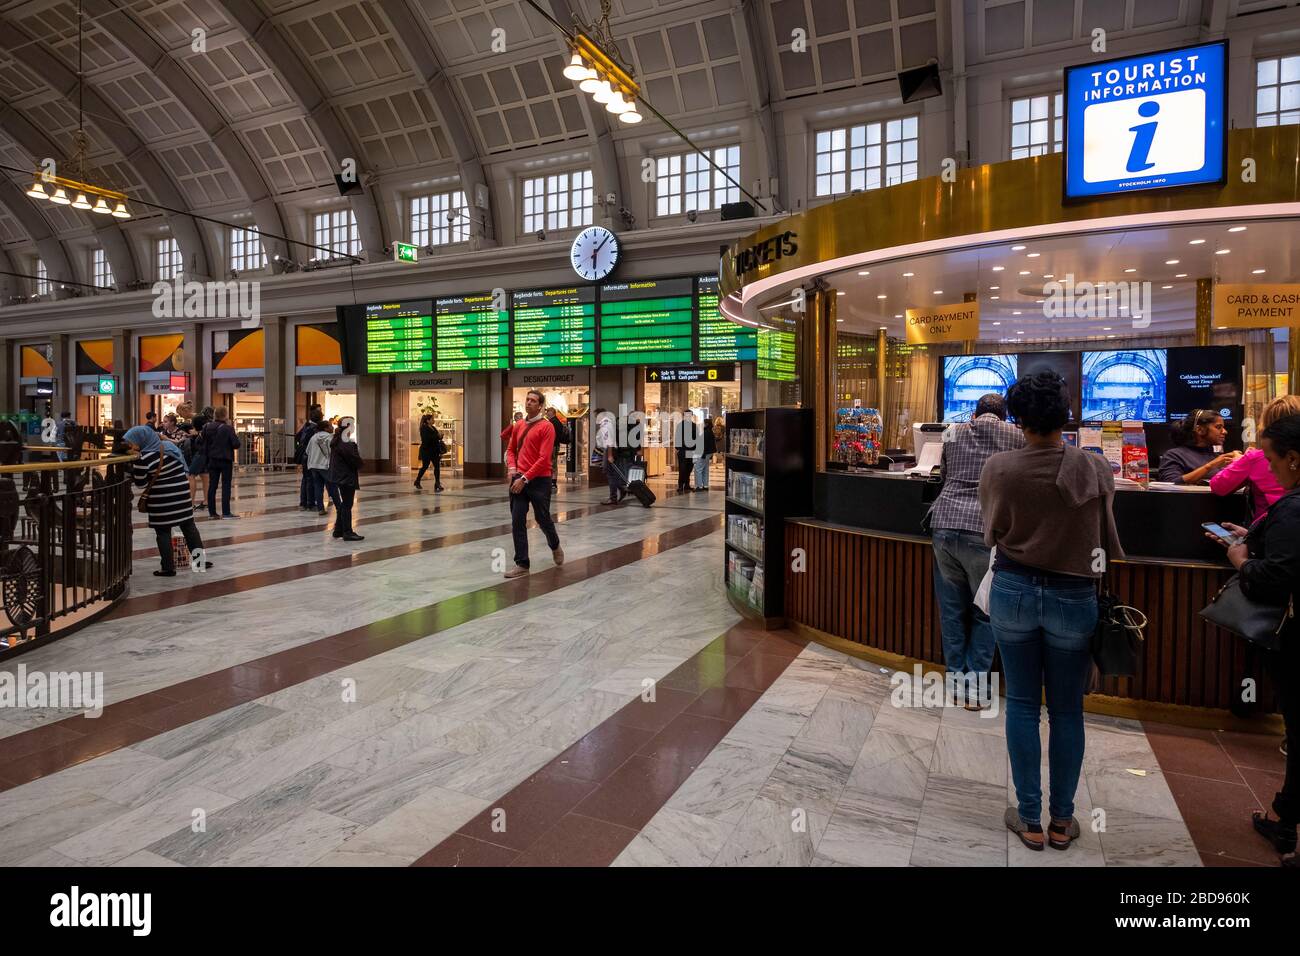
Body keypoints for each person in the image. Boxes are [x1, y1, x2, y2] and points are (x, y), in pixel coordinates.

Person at [979, 370, 1124, 852]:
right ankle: (1062, 820)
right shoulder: (1095, 466)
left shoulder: (999, 468)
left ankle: (1029, 819)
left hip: (1014, 592)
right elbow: (1105, 538)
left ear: (1017, 417)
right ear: (1065, 413)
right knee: (1067, 710)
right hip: (1074, 597)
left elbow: (991, 534)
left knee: (1021, 703)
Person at [1210, 413, 1300, 868]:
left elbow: (1277, 575)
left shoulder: (1293, 507)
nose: (1267, 464)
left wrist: (1243, 561)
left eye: (1270, 457)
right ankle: (1287, 817)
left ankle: (1287, 822)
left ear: (1294, 459)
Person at [927, 392, 1024, 709]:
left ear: (975, 413)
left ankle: (955, 685)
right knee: (984, 612)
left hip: (944, 526)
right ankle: (974, 691)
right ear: (1004, 415)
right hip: (983, 531)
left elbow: (943, 474)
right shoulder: (1017, 435)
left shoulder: (952, 431)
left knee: (952, 613)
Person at [123, 425, 211, 578]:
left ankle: (168, 568)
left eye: (131, 442)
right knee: (189, 528)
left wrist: (132, 469)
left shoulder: (143, 458)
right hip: (182, 494)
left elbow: (141, 483)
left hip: (163, 499)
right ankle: (200, 562)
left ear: (141, 440)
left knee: (163, 532)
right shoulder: (168, 447)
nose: (130, 446)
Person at [1210, 396, 1300, 523]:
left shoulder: (1255, 458)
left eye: (1270, 460)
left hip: (1267, 533)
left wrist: (1238, 462)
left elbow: (1218, 486)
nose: (1269, 468)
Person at [504, 389, 562, 579]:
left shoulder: (547, 427)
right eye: (527, 399)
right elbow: (511, 450)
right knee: (517, 520)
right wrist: (512, 470)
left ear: (540, 405)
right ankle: (522, 563)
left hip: (539, 480)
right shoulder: (519, 425)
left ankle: (554, 544)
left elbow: (544, 458)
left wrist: (525, 478)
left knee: (542, 518)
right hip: (518, 478)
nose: (528, 403)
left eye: (533, 400)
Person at [1157, 409, 1240, 484]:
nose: (1225, 432)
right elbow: (1170, 483)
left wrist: (1241, 462)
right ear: (1200, 430)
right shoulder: (1174, 455)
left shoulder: (1215, 456)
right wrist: (1209, 466)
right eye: (1218, 427)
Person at [328, 416, 364, 541]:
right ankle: (347, 532)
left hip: (339, 475)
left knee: (345, 503)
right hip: (346, 476)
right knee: (347, 504)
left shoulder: (338, 440)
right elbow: (353, 459)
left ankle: (338, 530)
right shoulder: (345, 443)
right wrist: (360, 463)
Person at [202, 406, 241, 519]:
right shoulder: (228, 428)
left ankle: (212, 513)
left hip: (211, 460)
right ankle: (226, 512)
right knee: (226, 486)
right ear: (225, 415)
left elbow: (202, 443)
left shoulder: (207, 427)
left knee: (212, 486)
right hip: (225, 460)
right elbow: (236, 444)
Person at [307, 420, 340, 516]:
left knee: (318, 487)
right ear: (325, 428)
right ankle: (339, 506)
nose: (332, 427)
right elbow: (333, 452)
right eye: (330, 426)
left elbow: (308, 451)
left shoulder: (314, 437)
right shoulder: (329, 438)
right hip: (325, 465)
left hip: (313, 465)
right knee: (332, 486)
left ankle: (320, 508)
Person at [295, 405, 323, 510]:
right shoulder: (315, 429)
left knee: (305, 479)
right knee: (311, 479)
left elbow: (297, 437)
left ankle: (303, 503)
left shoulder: (306, 426)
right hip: (311, 456)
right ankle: (311, 503)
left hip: (304, 456)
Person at [594, 408, 622, 506]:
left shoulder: (606, 426)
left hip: (610, 450)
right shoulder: (608, 424)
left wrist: (609, 455)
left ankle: (613, 497)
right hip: (610, 450)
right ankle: (621, 490)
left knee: (610, 474)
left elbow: (609, 441)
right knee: (611, 473)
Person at [187, 405, 212, 508]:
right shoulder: (208, 429)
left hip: (201, 455)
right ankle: (207, 501)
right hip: (207, 455)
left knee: (191, 475)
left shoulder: (201, 431)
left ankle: (191, 502)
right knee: (205, 475)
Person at [415, 414, 444, 491]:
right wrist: (437, 436)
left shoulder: (433, 428)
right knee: (425, 466)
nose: (433, 420)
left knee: (437, 467)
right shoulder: (424, 428)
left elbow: (436, 437)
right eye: (432, 419)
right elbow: (426, 439)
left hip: (434, 451)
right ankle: (417, 480)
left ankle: (437, 483)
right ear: (428, 420)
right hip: (426, 451)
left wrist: (440, 436)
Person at [544, 407, 570, 492]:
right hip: (555, 445)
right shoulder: (556, 421)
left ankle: (552, 482)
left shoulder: (552, 422)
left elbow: (552, 436)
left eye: (548, 412)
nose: (547, 414)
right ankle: (552, 482)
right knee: (553, 463)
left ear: (552, 413)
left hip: (552, 446)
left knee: (552, 464)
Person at [675, 410, 699, 492]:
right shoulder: (680, 426)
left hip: (691, 450)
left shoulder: (694, 426)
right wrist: (678, 448)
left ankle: (687, 484)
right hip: (682, 450)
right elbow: (677, 437)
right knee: (682, 468)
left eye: (690, 415)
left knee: (689, 467)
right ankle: (681, 485)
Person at [696, 412, 717, 490]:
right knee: (705, 469)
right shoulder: (710, 431)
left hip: (705, 452)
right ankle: (705, 485)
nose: (703, 424)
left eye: (704, 423)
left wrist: (703, 454)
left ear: (706, 424)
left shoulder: (706, 432)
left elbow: (704, 444)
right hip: (709, 452)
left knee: (698, 468)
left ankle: (699, 486)